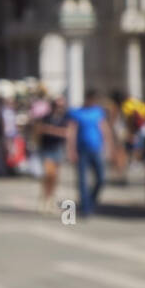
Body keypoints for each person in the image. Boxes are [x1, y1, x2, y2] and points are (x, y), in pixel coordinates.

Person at [67, 89, 116, 218]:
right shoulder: (77, 113)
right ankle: (86, 208)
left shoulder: (98, 112)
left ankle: (91, 200)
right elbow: (72, 132)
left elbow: (105, 131)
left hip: (96, 150)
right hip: (81, 150)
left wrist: (109, 148)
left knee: (101, 179)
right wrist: (71, 150)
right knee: (82, 180)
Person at [35, 95, 71, 213]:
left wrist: (51, 130)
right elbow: (39, 130)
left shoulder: (65, 119)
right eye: (57, 106)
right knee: (48, 174)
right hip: (47, 148)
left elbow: (66, 133)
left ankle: (51, 198)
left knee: (55, 176)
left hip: (58, 148)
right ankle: (45, 197)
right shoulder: (46, 117)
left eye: (61, 106)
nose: (59, 108)